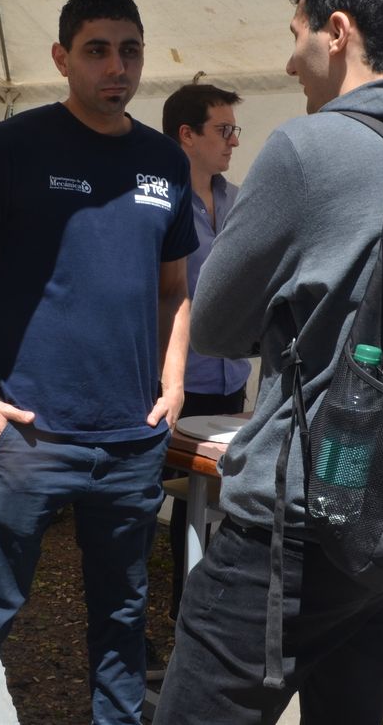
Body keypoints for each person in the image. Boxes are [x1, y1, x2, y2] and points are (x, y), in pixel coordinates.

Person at [153, 0, 383, 723]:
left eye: (295, 38)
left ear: (336, 30)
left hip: (293, 526)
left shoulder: (311, 145)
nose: (291, 64)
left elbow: (220, 321)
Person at [0, 0, 197, 725]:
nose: (117, 66)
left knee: (122, 621)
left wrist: (172, 382)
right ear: (61, 58)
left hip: (131, 441)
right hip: (26, 437)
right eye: (97, 50)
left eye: (130, 51)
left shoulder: (164, 163)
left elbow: (176, 289)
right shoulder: (14, 148)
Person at [159, 82, 252, 620]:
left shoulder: (239, 202)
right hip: (174, 380)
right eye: (224, 130)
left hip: (229, 379)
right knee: (169, 498)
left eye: (234, 130)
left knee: (219, 497)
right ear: (186, 136)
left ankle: (202, 610)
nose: (234, 141)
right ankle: (175, 613)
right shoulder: (159, 204)